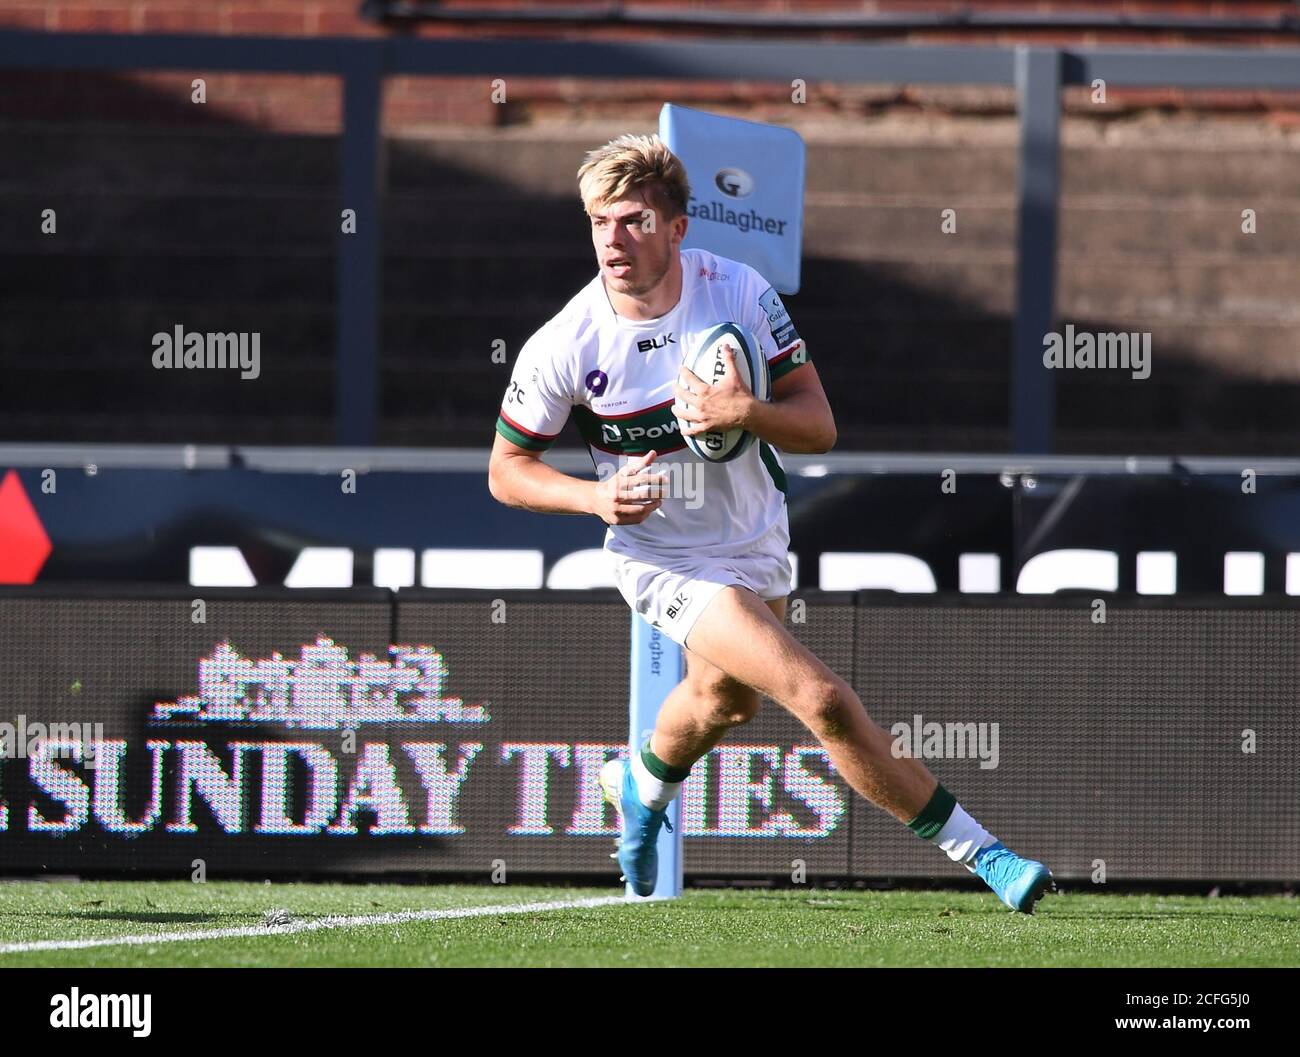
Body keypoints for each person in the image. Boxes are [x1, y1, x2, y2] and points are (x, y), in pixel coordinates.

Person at [487, 133, 1053, 912]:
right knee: (815, 697)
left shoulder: (740, 292)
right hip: (661, 556)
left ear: (677, 228)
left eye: (632, 221)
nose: (612, 241)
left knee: (724, 700)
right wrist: (593, 499)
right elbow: (504, 472)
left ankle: (637, 784)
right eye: (597, 222)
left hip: (754, 534)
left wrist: (744, 411)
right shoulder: (566, 343)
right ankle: (985, 852)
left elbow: (818, 425)